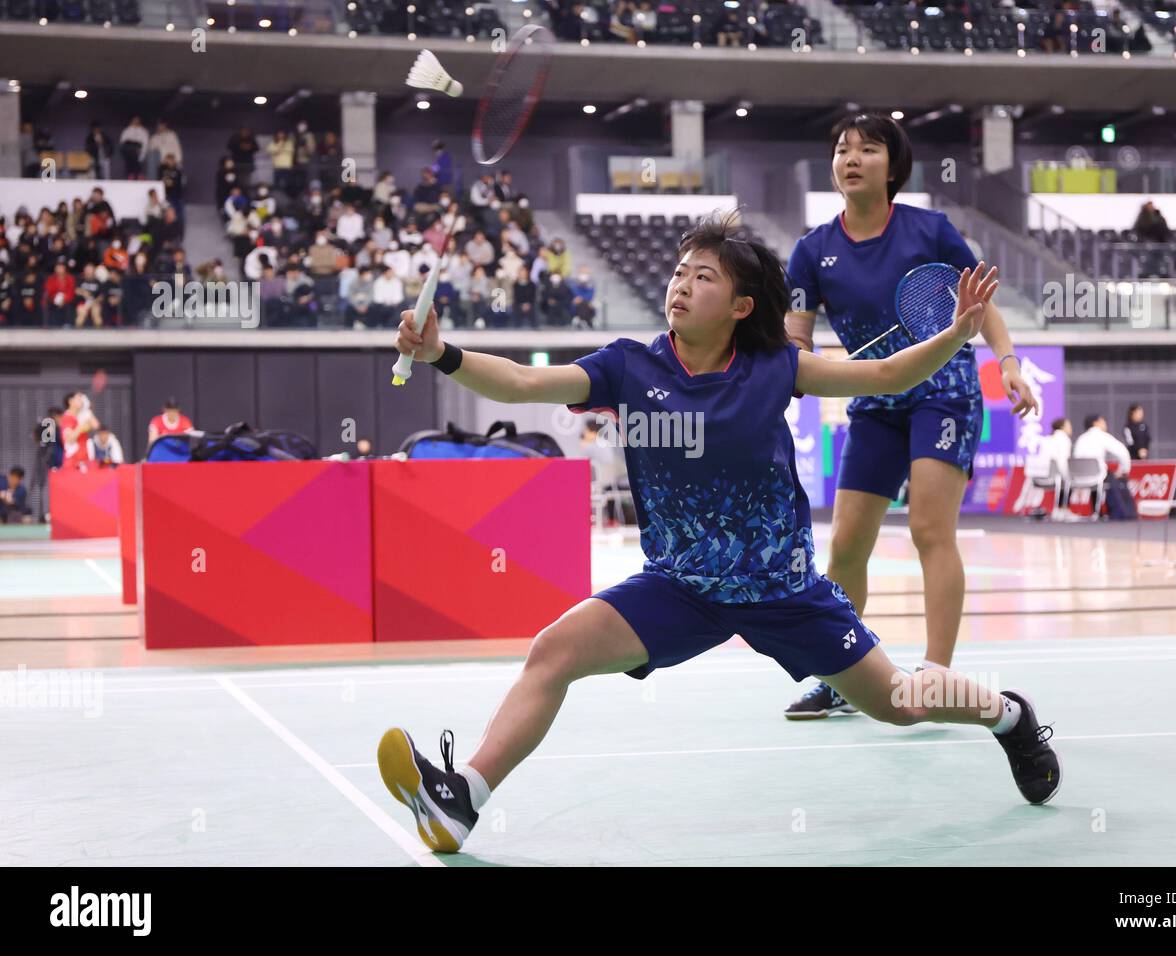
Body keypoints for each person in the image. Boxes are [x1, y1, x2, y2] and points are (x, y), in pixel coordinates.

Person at [378, 211, 1060, 854]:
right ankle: (462, 798)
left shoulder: (774, 369)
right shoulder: (628, 366)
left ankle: (1008, 714)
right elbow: (526, 381)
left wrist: (955, 334)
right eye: (680, 272)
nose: (683, 284)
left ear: (741, 307)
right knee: (554, 650)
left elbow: (883, 373)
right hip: (680, 587)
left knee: (902, 702)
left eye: (705, 276)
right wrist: (443, 352)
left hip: (784, 592)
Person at [781, 113, 1038, 720]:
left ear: (892, 168)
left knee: (929, 529)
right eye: (843, 149)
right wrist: (787, 370)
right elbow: (798, 334)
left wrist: (1007, 362)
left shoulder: (930, 229)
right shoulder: (812, 251)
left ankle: (937, 674)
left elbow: (979, 303)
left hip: (944, 390)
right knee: (846, 545)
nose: (851, 159)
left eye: (867, 150)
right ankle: (843, 674)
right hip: (875, 399)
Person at [60, 392, 98, 468]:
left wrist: (87, 409)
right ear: (70, 401)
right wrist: (80, 427)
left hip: (84, 459)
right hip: (73, 461)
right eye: (78, 398)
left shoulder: (81, 416)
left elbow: (96, 425)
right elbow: (69, 439)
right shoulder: (67, 418)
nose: (82, 400)